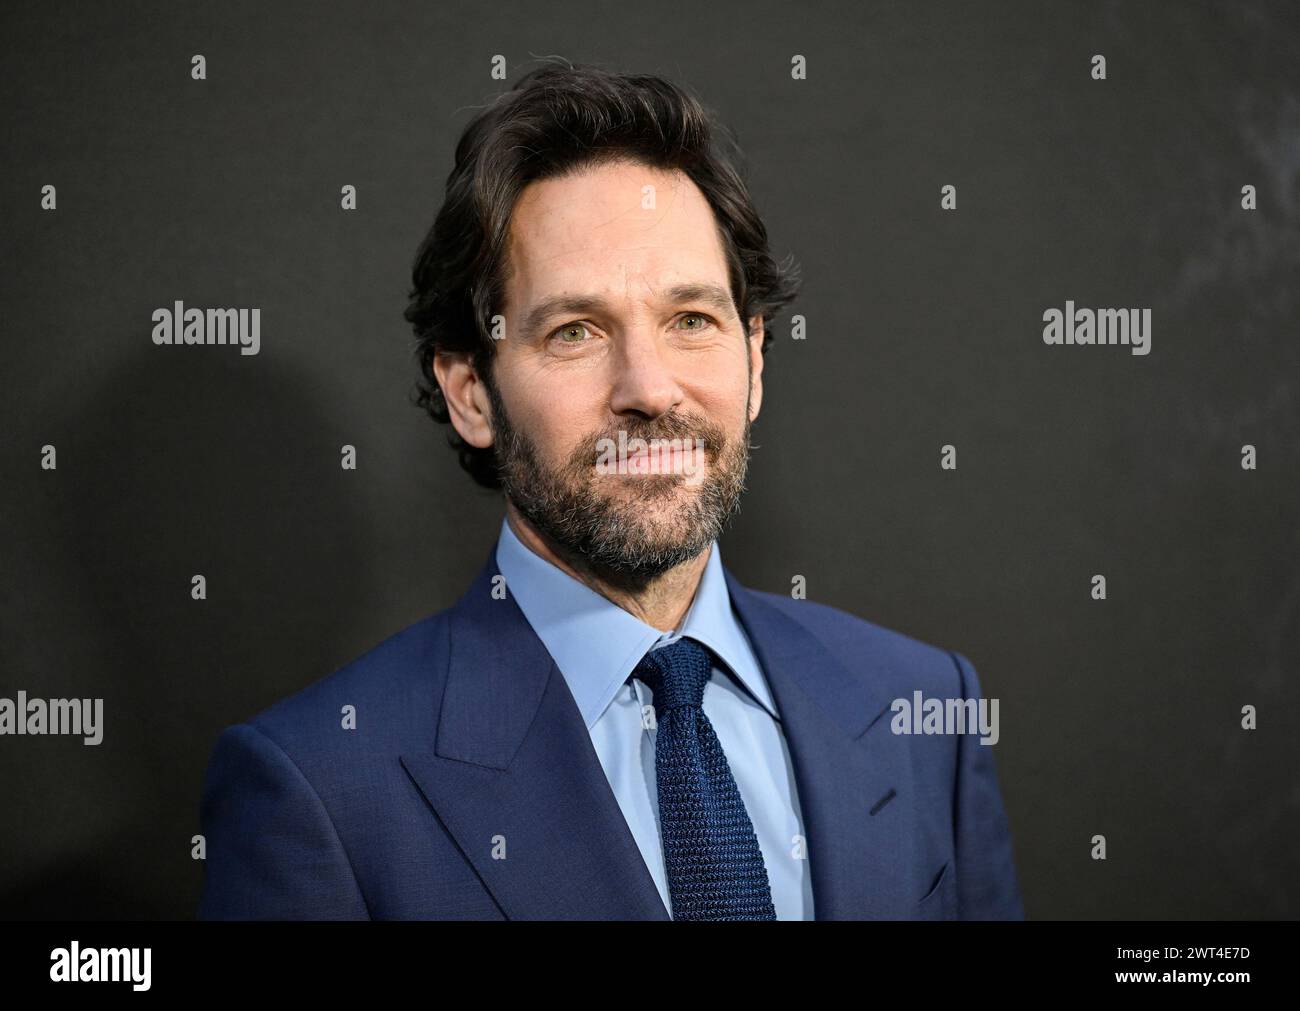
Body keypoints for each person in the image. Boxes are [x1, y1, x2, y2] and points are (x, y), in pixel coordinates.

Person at [197, 61, 1024, 921]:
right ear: (471, 392)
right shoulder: (320, 787)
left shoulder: (925, 708)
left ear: (756, 360)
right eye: (576, 331)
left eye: (691, 321)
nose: (650, 387)